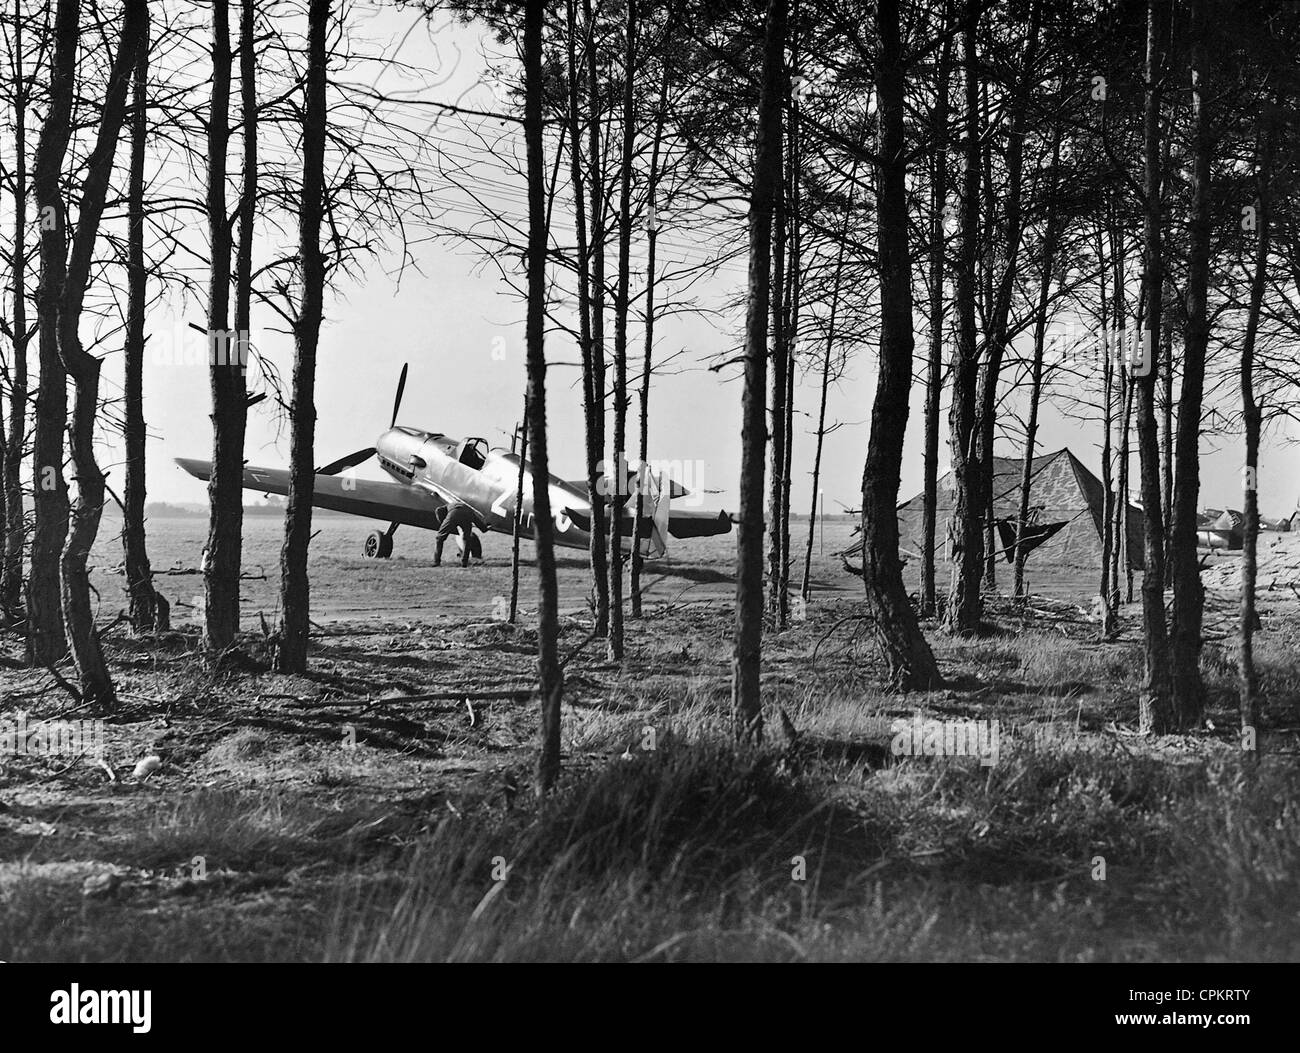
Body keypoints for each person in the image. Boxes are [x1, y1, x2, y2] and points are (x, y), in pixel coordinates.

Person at [434, 500, 477, 567]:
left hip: (453, 515)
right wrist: (484, 528)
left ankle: (436, 562)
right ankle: (464, 562)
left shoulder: (445, 507)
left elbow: (438, 510)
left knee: (439, 538)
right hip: (467, 516)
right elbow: (475, 518)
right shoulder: (467, 507)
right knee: (466, 539)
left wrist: (442, 523)